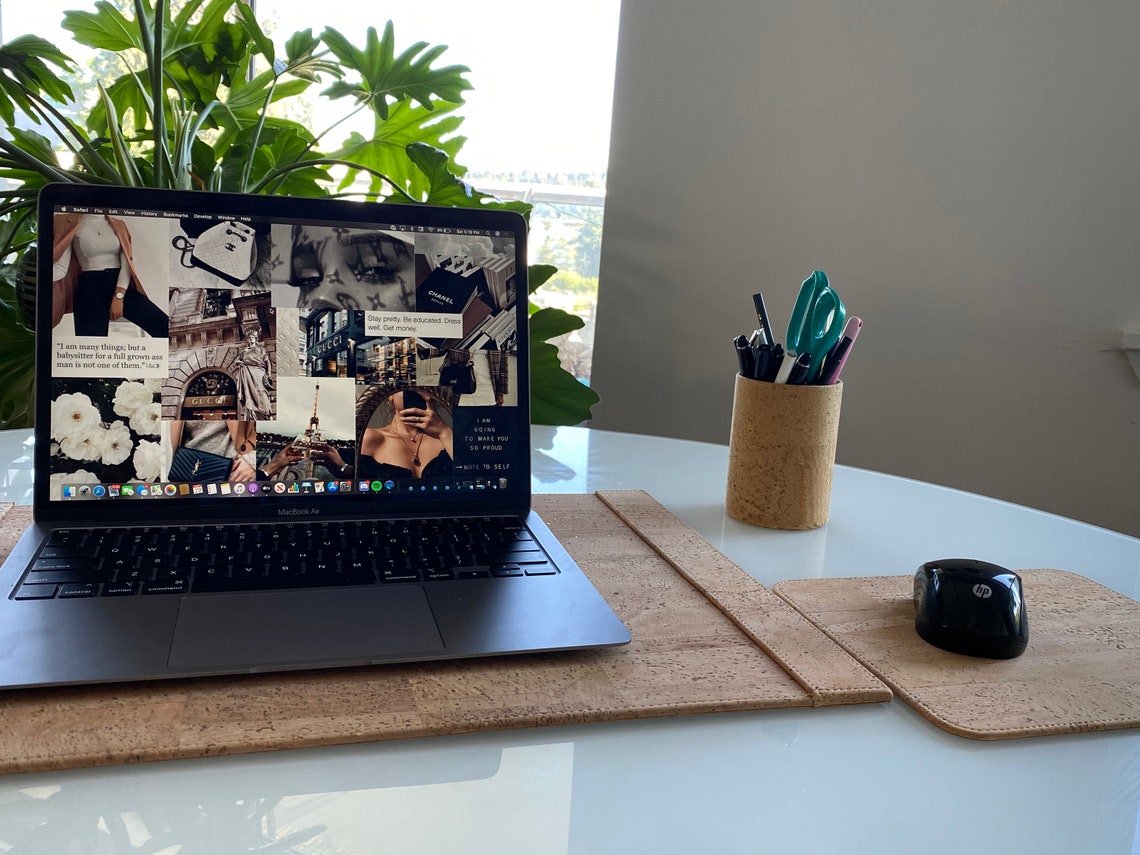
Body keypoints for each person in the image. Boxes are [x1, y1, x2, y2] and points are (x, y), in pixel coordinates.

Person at [51, 213, 168, 337]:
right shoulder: (68, 222)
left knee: (164, 328)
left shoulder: (118, 224)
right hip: (89, 288)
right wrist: (40, 277)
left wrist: (119, 296)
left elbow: (126, 263)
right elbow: (61, 268)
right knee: (92, 347)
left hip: (119, 283)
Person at [356, 389, 454, 480]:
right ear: (391, 395)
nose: (413, 389)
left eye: (418, 386)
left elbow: (467, 476)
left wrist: (444, 431)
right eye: (403, 385)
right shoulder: (370, 438)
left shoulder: (445, 438)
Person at [232, 329, 274, 420]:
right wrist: (239, 362)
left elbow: (267, 361)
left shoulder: (260, 349)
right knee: (248, 394)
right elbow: (236, 361)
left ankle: (264, 413)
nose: (251, 339)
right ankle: (251, 414)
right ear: (247, 340)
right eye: (249, 338)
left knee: (261, 392)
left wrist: (269, 374)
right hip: (246, 372)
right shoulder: (244, 351)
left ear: (256, 339)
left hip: (258, 372)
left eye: (252, 338)